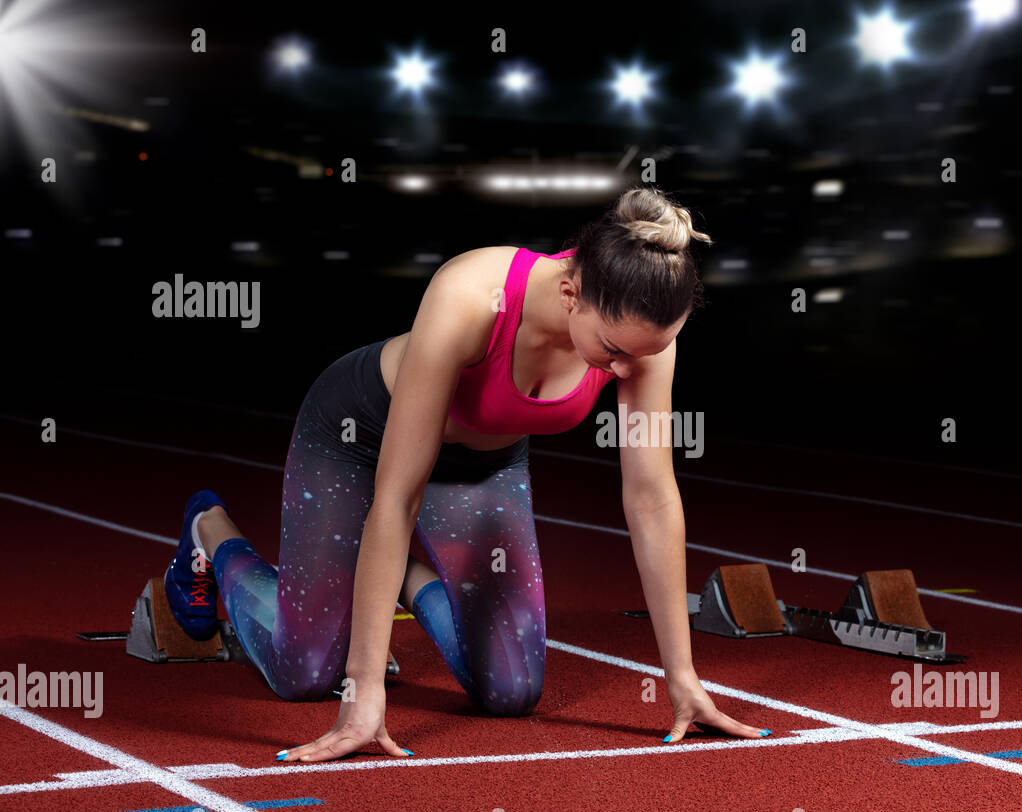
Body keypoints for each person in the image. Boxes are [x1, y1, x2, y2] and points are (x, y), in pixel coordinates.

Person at [162, 186, 771, 762]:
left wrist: (682, 677)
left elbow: (651, 497)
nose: (622, 371)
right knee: (306, 674)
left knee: (511, 691)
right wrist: (364, 693)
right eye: (612, 350)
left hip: (481, 466)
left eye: (640, 355)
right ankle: (211, 532)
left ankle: (400, 574)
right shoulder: (470, 293)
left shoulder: (644, 335)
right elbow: (396, 495)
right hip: (359, 438)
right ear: (570, 292)